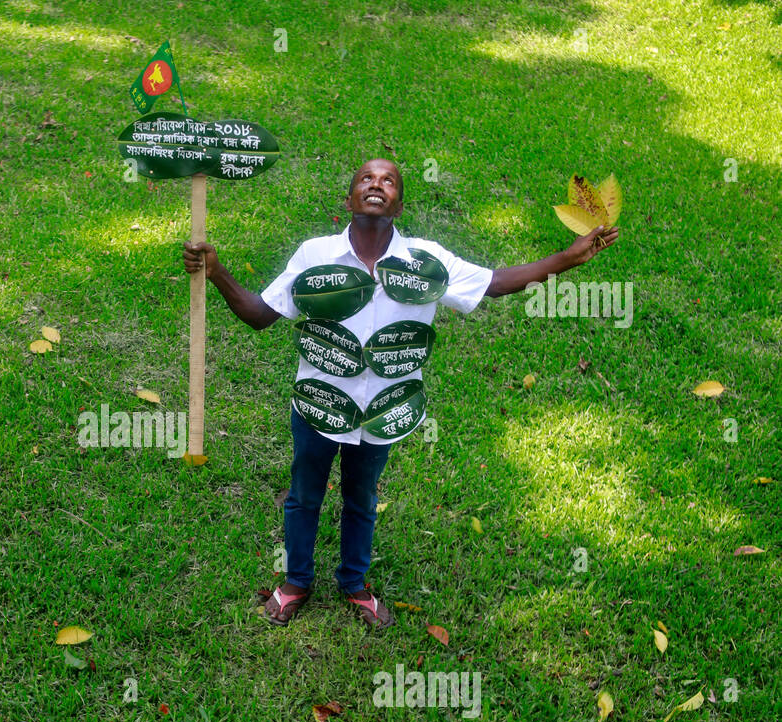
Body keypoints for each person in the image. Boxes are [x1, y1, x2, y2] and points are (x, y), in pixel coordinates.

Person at [183, 158, 619, 628]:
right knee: (304, 496)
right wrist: (217, 270)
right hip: (318, 404)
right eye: (366, 179)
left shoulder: (425, 262)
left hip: (385, 408)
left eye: (388, 180)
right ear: (348, 200)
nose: (377, 184)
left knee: (362, 498)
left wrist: (569, 258)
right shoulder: (314, 256)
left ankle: (354, 583)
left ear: (400, 204)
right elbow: (259, 314)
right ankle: (295, 582)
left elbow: (495, 283)